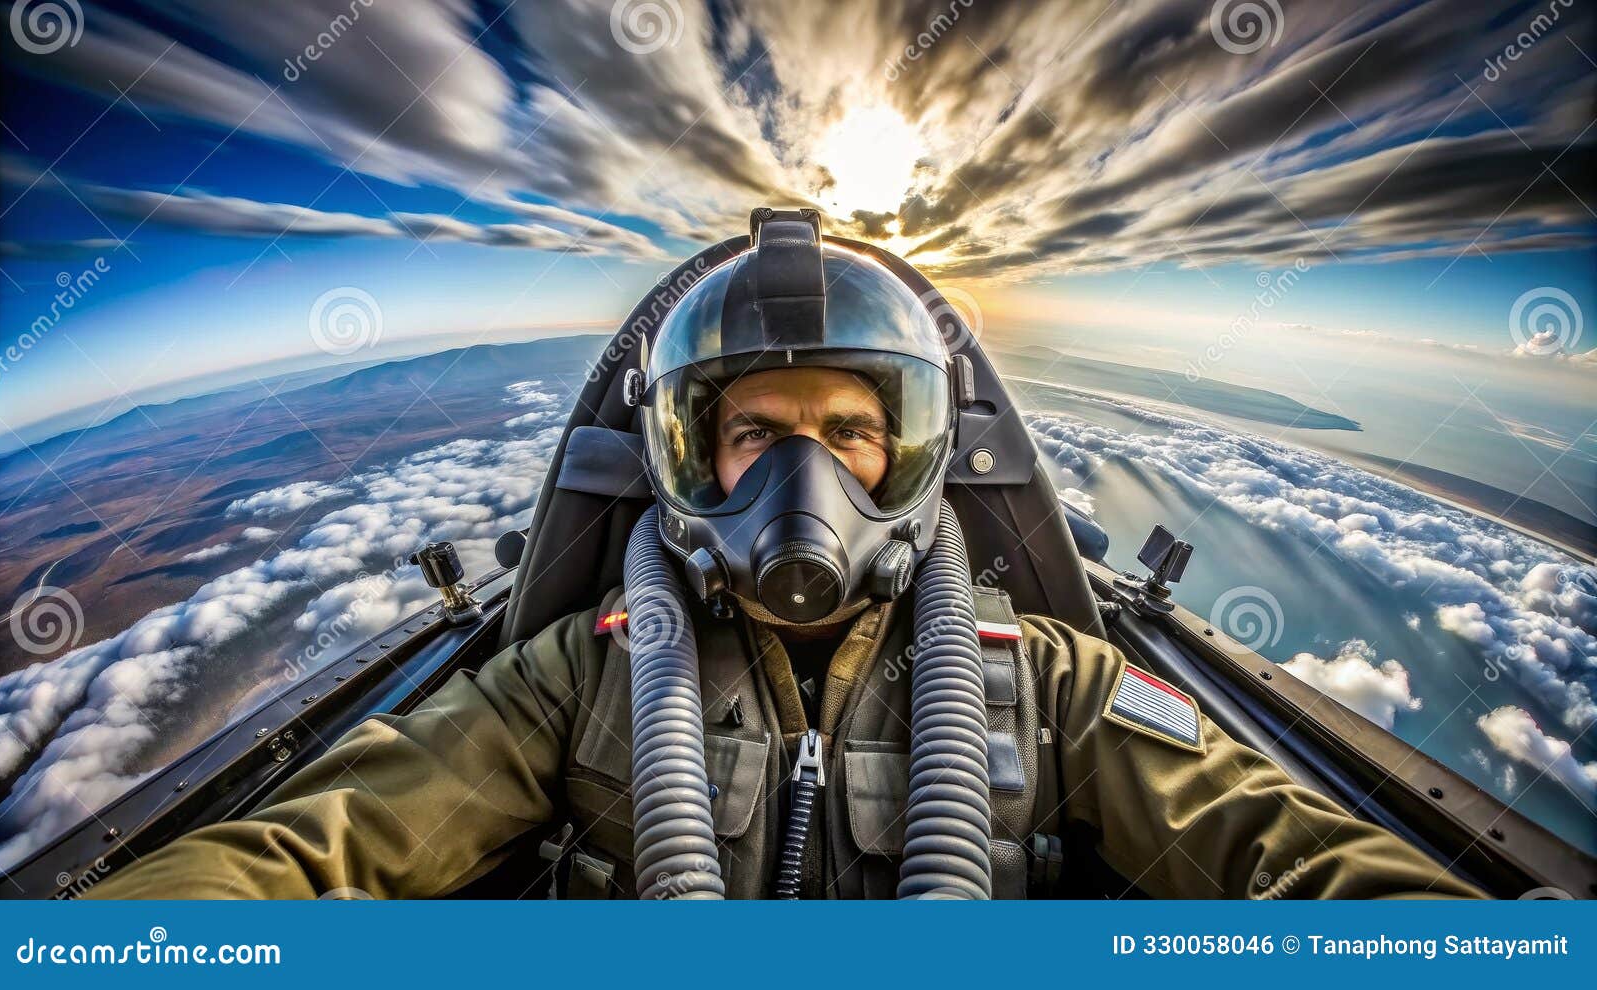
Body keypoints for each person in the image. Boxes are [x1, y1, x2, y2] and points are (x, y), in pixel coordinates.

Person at [89, 211, 1484, 900]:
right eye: (756, 434)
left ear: (913, 450)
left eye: (849, 432)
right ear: (689, 455)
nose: (803, 482)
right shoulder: (577, 679)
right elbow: (313, 851)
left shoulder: (1050, 682)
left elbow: (1291, 853)